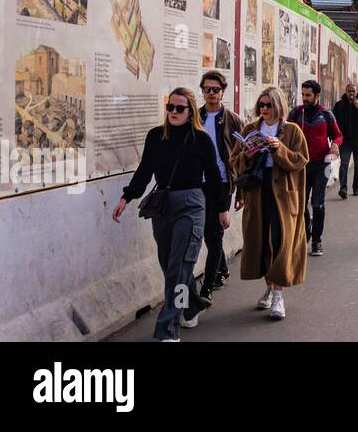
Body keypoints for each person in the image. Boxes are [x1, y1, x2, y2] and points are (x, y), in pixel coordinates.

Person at [113, 88, 225, 341]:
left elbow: (215, 177)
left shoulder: (201, 139)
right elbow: (144, 171)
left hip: (192, 205)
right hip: (163, 205)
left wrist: (222, 209)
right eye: (170, 107)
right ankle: (191, 305)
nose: (173, 112)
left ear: (190, 110)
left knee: (180, 266)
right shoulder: (155, 136)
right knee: (171, 266)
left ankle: (167, 328)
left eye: (180, 108)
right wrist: (126, 197)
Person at [230, 86, 309, 321]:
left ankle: (278, 295)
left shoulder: (292, 131)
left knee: (280, 240)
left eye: (269, 105)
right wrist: (250, 152)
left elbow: (300, 160)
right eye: (261, 105)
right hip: (258, 193)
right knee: (261, 242)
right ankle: (270, 287)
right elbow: (235, 160)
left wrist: (278, 148)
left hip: (283, 196)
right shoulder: (250, 129)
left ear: (279, 106)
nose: (264, 109)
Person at [196, 69, 240, 301]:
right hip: (197, 183)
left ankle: (207, 290)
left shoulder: (232, 120)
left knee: (215, 235)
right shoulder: (195, 116)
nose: (211, 94)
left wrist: (240, 189)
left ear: (222, 92)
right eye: (207, 90)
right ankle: (221, 270)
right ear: (202, 92)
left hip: (221, 183)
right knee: (207, 234)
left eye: (215, 90)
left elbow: (243, 157)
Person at [289, 79, 341, 256]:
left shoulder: (326, 114)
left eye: (308, 95)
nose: (304, 98)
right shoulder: (296, 113)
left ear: (317, 96)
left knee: (317, 204)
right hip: (300, 165)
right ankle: (307, 229)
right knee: (301, 205)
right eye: (303, 95)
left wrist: (335, 145)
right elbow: (285, 133)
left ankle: (317, 241)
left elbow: (338, 135)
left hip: (322, 165)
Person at [333, 81, 358, 198]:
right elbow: (333, 121)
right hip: (345, 140)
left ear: (356, 92)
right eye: (349, 91)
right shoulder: (339, 105)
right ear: (346, 92)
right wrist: (335, 137)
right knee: (344, 164)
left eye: (353, 91)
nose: (351, 93)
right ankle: (343, 188)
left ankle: (356, 187)